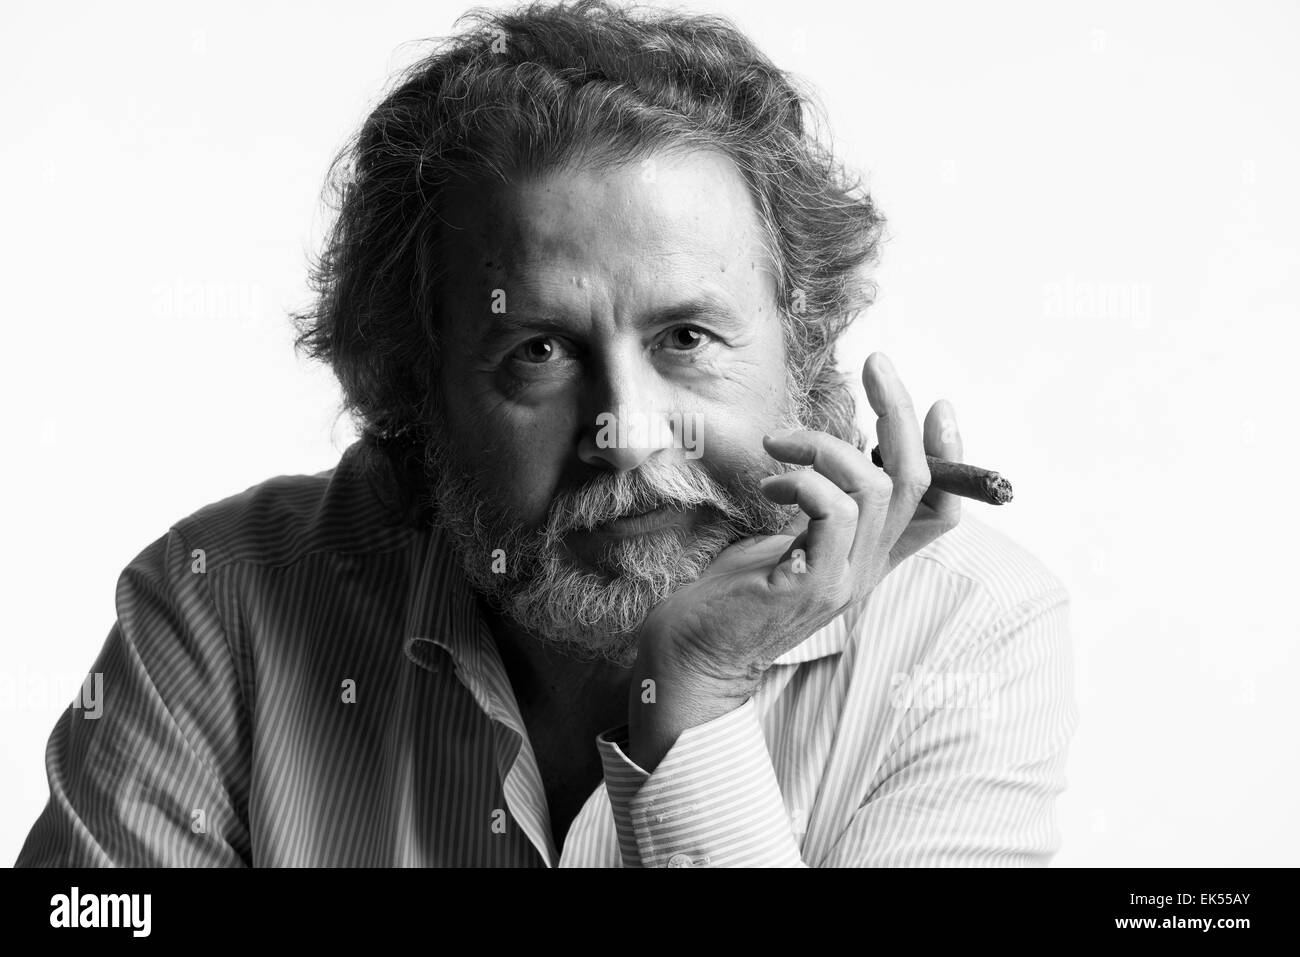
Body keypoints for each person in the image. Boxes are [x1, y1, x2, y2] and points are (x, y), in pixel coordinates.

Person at [16, 0, 1076, 867]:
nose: (624, 434)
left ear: (805, 350)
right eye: (537, 352)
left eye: (687, 336)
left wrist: (691, 705)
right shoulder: (222, 602)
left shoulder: (967, 629)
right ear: (413, 391)